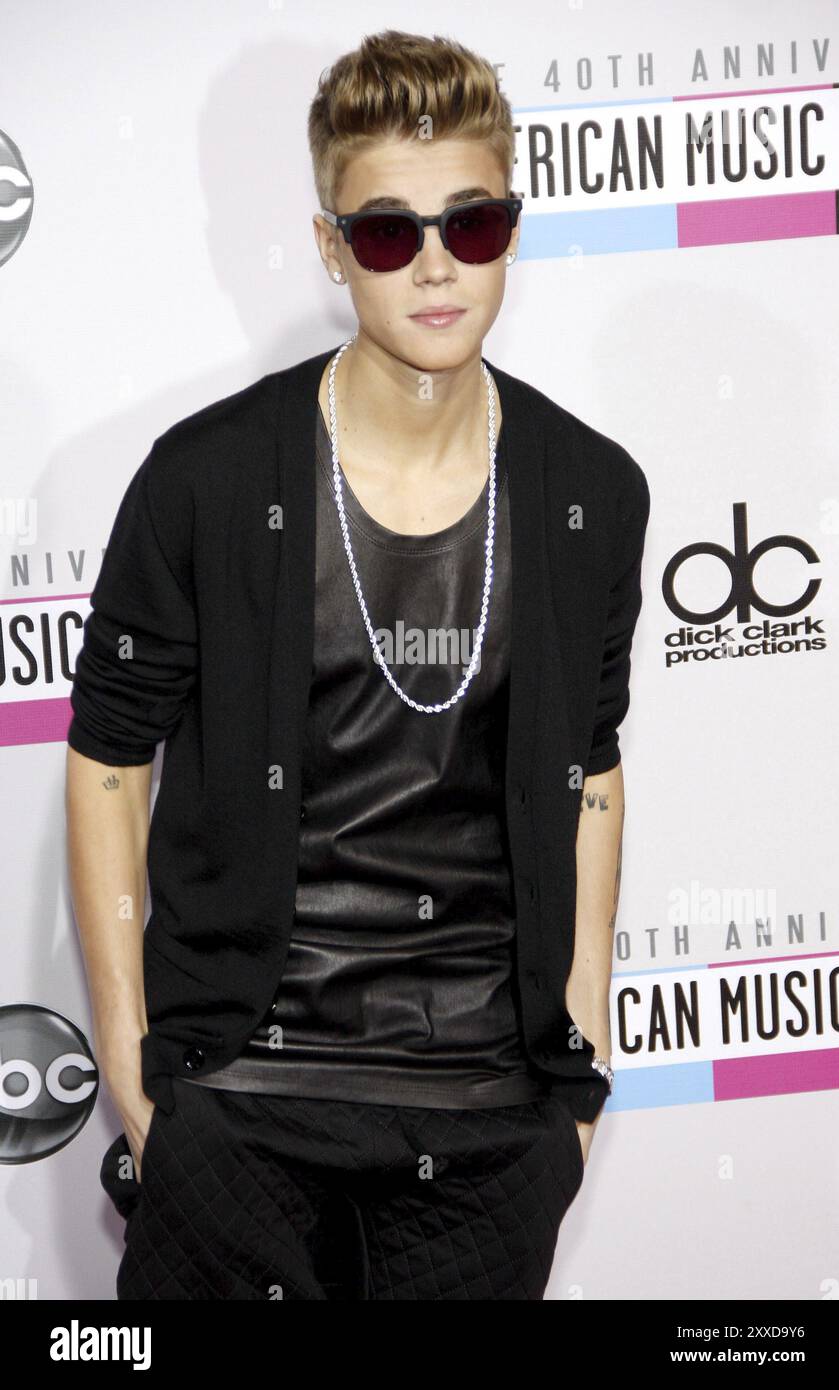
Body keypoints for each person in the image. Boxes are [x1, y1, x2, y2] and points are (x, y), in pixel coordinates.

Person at [66, 28, 650, 1300]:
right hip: (244, 1094)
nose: (437, 265)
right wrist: (131, 1063)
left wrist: (583, 1051)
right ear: (332, 248)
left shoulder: (591, 492)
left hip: (490, 1109)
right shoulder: (210, 479)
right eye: (388, 233)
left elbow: (593, 771)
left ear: (512, 228)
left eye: (473, 223)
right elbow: (109, 760)